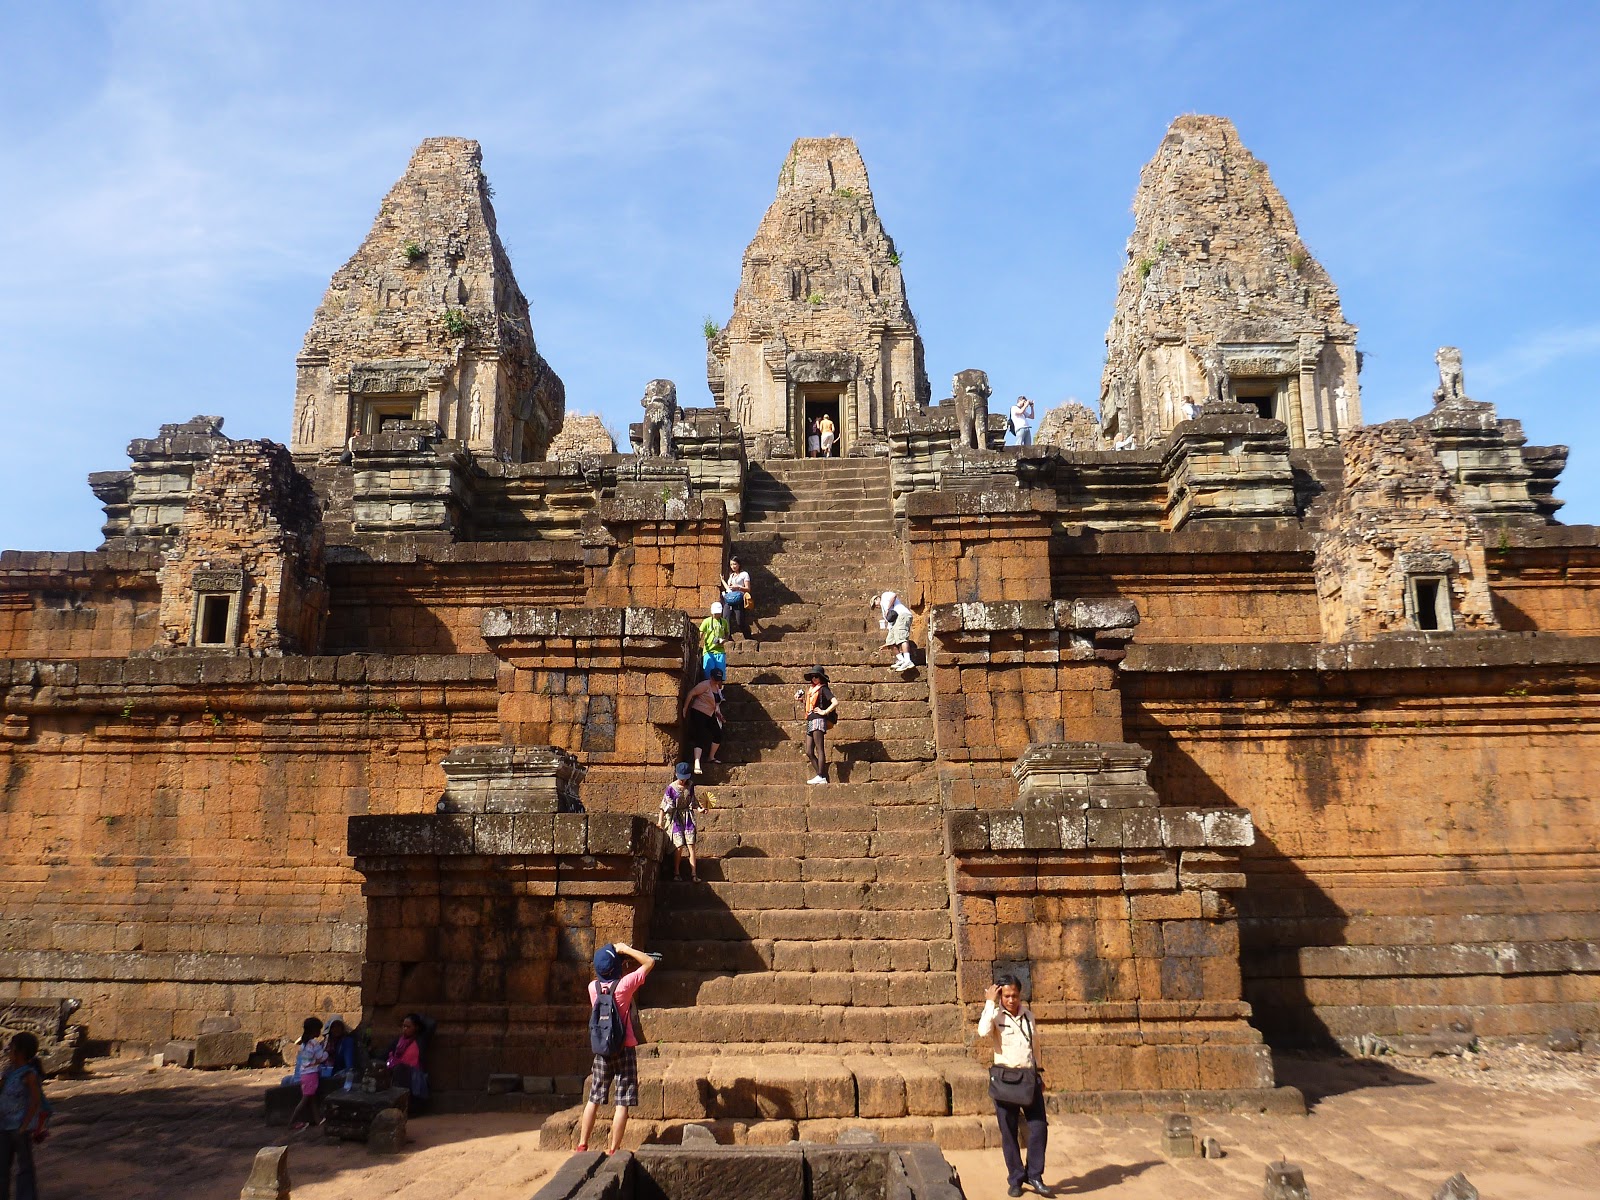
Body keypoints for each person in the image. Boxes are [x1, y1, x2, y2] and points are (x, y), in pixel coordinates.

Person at [576, 942, 658, 1155]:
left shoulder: (592, 988)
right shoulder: (625, 986)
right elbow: (649, 962)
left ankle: (582, 1144)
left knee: (594, 1098)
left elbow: (606, 978)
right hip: (624, 1049)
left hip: (602, 1050)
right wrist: (627, 950)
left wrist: (616, 959)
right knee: (622, 1102)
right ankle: (614, 1148)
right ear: (617, 967)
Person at [979, 977, 1051, 1197]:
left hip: (1028, 1077)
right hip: (1005, 1080)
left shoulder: (1028, 1017)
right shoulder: (995, 1016)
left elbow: (1034, 1046)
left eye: (1015, 995)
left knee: (1039, 1127)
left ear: (1020, 995)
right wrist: (990, 1003)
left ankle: (1035, 1174)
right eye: (1006, 996)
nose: (1011, 1000)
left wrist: (1039, 1074)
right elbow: (982, 1032)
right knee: (1009, 1132)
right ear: (1001, 996)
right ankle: (1016, 1178)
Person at [0, 1032, 45, 1200]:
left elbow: (35, 1102)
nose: (7, 1051)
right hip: (4, 1126)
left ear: (19, 1051)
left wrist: (25, 1125)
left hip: (20, 1128)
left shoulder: (29, 1075)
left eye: (10, 1048)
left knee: (24, 1167)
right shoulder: (8, 1071)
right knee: (2, 1167)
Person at [659, 762, 706, 882]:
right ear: (676, 775)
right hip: (675, 818)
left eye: (685, 778)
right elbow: (663, 806)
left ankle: (694, 874)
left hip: (688, 818)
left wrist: (700, 809)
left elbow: (693, 801)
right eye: (681, 778)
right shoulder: (671, 788)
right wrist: (660, 822)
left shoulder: (690, 785)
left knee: (691, 845)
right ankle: (676, 872)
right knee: (679, 845)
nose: (683, 781)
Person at [795, 665, 837, 785]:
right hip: (810, 720)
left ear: (821, 678)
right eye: (812, 676)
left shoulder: (824, 689)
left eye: (816, 676)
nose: (814, 678)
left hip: (818, 720)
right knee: (808, 751)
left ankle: (820, 775)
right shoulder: (812, 690)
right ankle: (821, 775)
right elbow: (811, 706)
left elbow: (835, 702)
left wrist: (824, 712)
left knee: (819, 748)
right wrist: (802, 700)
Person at [288, 1016, 328, 1132]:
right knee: (305, 1099)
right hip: (311, 1074)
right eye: (318, 1030)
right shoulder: (314, 1043)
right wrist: (326, 1053)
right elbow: (321, 1057)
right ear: (313, 1030)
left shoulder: (304, 1043)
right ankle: (292, 1122)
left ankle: (318, 1120)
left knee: (312, 1098)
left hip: (305, 1074)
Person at [680, 669, 724, 775]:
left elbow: (716, 703)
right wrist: (685, 708)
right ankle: (697, 762)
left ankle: (711, 757)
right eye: (715, 679)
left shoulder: (717, 687)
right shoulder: (704, 685)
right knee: (700, 736)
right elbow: (691, 693)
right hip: (699, 712)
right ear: (711, 677)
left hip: (710, 714)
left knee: (718, 734)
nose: (717, 681)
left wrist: (719, 714)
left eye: (718, 679)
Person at [873, 590, 916, 672]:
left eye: (875, 604)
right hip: (895, 622)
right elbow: (890, 623)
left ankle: (908, 661)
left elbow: (894, 595)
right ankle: (901, 659)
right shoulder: (883, 609)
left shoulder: (884, 596)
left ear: (877, 599)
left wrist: (888, 608)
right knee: (890, 641)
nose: (876, 607)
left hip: (902, 615)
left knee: (901, 638)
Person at [386, 1013, 427, 1098]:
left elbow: (432, 1024)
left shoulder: (420, 1041)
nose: (405, 1029)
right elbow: (386, 1053)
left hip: (413, 1075)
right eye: (404, 1026)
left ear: (416, 1028)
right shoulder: (399, 1041)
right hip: (398, 1072)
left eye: (408, 1027)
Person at [722, 556, 754, 639]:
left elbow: (748, 589)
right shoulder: (731, 575)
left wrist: (738, 588)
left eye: (735, 564)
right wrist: (722, 581)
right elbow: (729, 588)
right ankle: (728, 637)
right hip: (729, 598)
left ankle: (748, 636)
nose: (733, 566)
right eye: (731, 564)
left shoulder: (744, 574)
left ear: (739, 564)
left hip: (739, 598)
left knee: (739, 620)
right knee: (726, 618)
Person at [698, 601, 729, 680]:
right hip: (708, 651)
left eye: (718, 613)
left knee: (720, 674)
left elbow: (727, 634)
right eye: (715, 613)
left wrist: (724, 640)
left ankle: (719, 691)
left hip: (720, 651)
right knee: (708, 673)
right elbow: (700, 634)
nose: (717, 615)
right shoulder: (707, 621)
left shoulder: (724, 622)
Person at [322, 1017, 356, 1086]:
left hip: (341, 1072)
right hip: (326, 1072)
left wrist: (349, 1072)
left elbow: (349, 1064)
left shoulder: (347, 1041)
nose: (336, 1029)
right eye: (334, 1027)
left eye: (339, 1026)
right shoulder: (326, 1042)